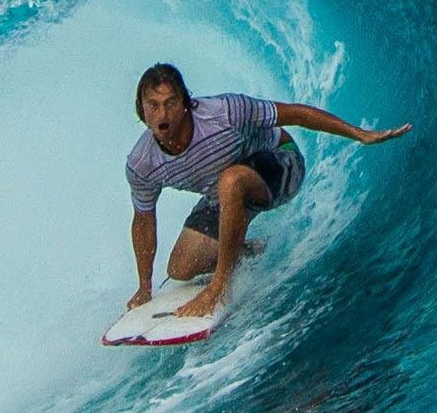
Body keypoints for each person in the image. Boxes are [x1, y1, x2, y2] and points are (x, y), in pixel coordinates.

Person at [123, 62, 411, 320]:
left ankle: (220, 286)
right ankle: (244, 248)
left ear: (186, 103)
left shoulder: (225, 112)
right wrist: (144, 287)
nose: (163, 114)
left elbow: (295, 114)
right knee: (181, 268)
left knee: (231, 180)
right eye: (153, 105)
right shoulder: (142, 164)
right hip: (225, 192)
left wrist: (359, 134)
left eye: (171, 103)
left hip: (280, 164)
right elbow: (143, 221)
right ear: (141, 110)